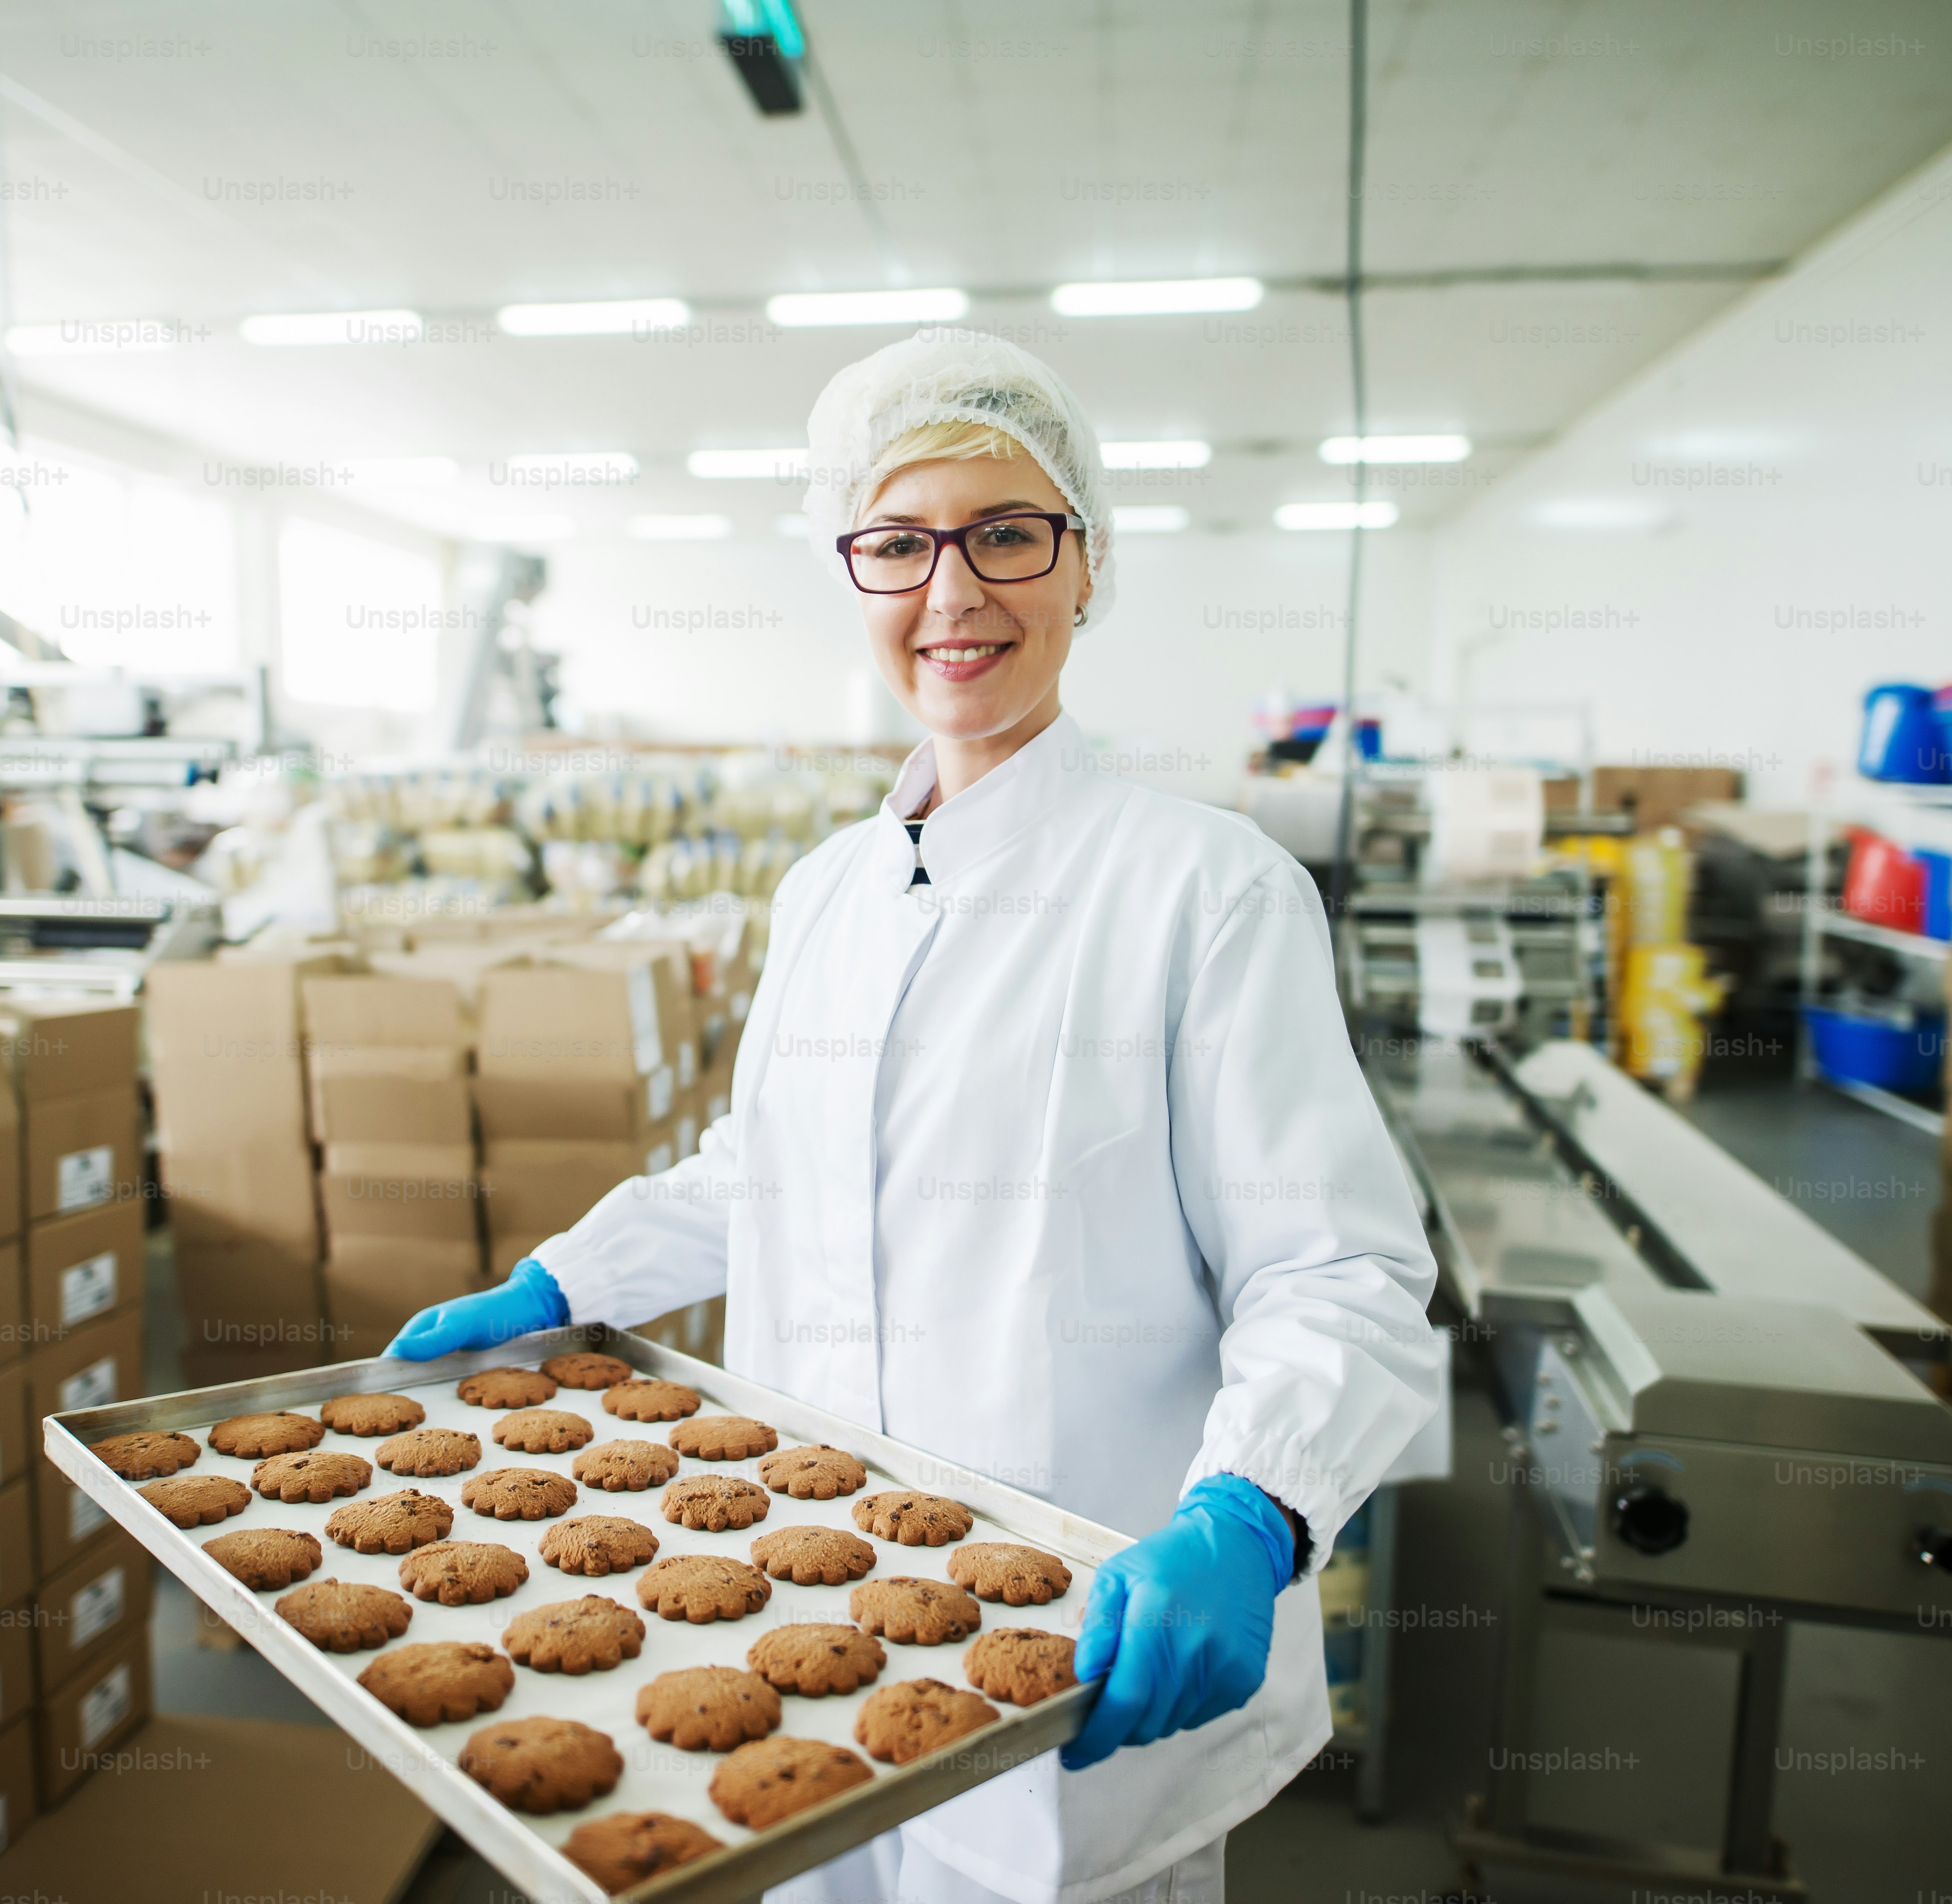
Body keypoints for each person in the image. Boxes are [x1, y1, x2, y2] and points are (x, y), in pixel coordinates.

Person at [388, 329, 1442, 1904]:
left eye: (1006, 534)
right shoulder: (826, 890)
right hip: (799, 1641)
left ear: (1086, 565)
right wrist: (569, 1281)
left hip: (1078, 1667)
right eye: (897, 544)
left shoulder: (1208, 892)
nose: (952, 594)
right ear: (853, 574)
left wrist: (1252, 1508)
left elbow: (1337, 1268)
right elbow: (769, 1163)